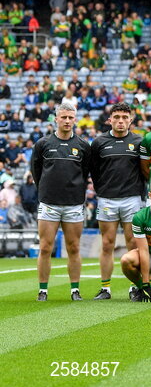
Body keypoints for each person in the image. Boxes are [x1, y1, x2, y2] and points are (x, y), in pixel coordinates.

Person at [31, 102, 92, 301]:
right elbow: (36, 172)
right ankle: (43, 290)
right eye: (63, 117)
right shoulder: (43, 144)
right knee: (45, 247)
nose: (67, 121)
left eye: (70, 117)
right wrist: (46, 191)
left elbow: (85, 173)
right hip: (49, 203)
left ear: (75, 119)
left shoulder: (83, 146)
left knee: (73, 247)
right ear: (56, 119)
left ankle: (75, 289)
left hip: (74, 204)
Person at [89, 101, 145, 300]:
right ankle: (105, 288)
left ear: (131, 120)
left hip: (132, 199)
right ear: (110, 120)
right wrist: (102, 190)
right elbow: (94, 171)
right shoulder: (98, 143)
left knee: (133, 243)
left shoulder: (139, 142)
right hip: (107, 200)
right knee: (107, 244)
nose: (121, 121)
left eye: (125, 118)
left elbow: (144, 170)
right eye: (117, 117)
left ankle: (134, 286)